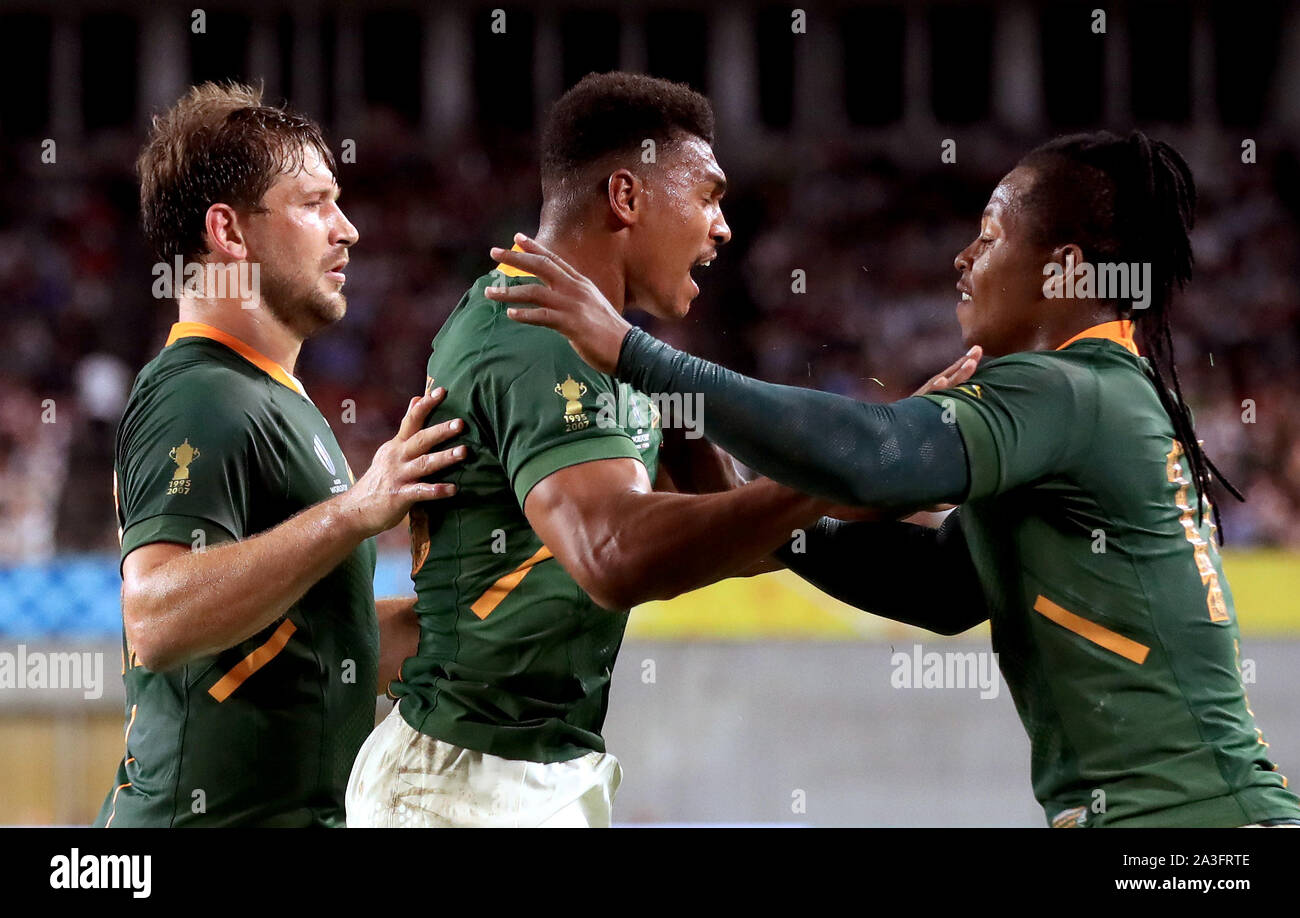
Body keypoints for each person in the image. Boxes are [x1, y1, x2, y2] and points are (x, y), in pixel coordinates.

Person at [491, 130, 1300, 827]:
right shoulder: (1102, 392)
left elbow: (873, 455)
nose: (963, 257)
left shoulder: (1066, 389)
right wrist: (750, 513)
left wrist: (637, 354)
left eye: (989, 235)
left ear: (1063, 269)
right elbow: (946, 586)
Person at [343, 72, 864, 828]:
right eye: (709, 196)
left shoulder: (615, 352)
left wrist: (910, 480)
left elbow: (724, 526)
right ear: (626, 196)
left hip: (516, 770)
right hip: (465, 780)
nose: (723, 227)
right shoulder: (531, 329)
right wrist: (834, 473)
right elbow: (613, 554)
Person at [96, 83, 464, 827]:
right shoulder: (199, 393)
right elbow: (156, 619)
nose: (348, 229)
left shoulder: (273, 401)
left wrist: (519, 602)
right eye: (314, 202)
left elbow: (324, 651)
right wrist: (355, 512)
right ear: (229, 233)